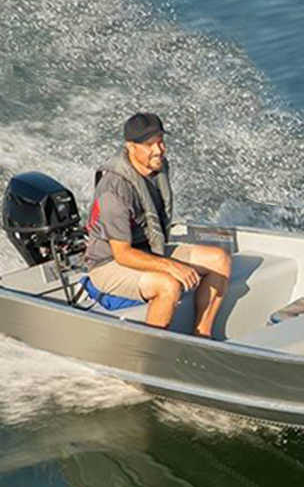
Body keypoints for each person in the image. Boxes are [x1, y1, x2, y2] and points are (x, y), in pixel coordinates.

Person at [84, 112, 231, 336]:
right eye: (149, 144)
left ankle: (202, 336)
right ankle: (152, 347)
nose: (158, 150)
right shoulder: (114, 190)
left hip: (150, 249)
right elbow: (122, 255)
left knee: (219, 260)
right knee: (168, 284)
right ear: (130, 147)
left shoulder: (157, 167)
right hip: (109, 264)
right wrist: (171, 266)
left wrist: (168, 262)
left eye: (161, 141)